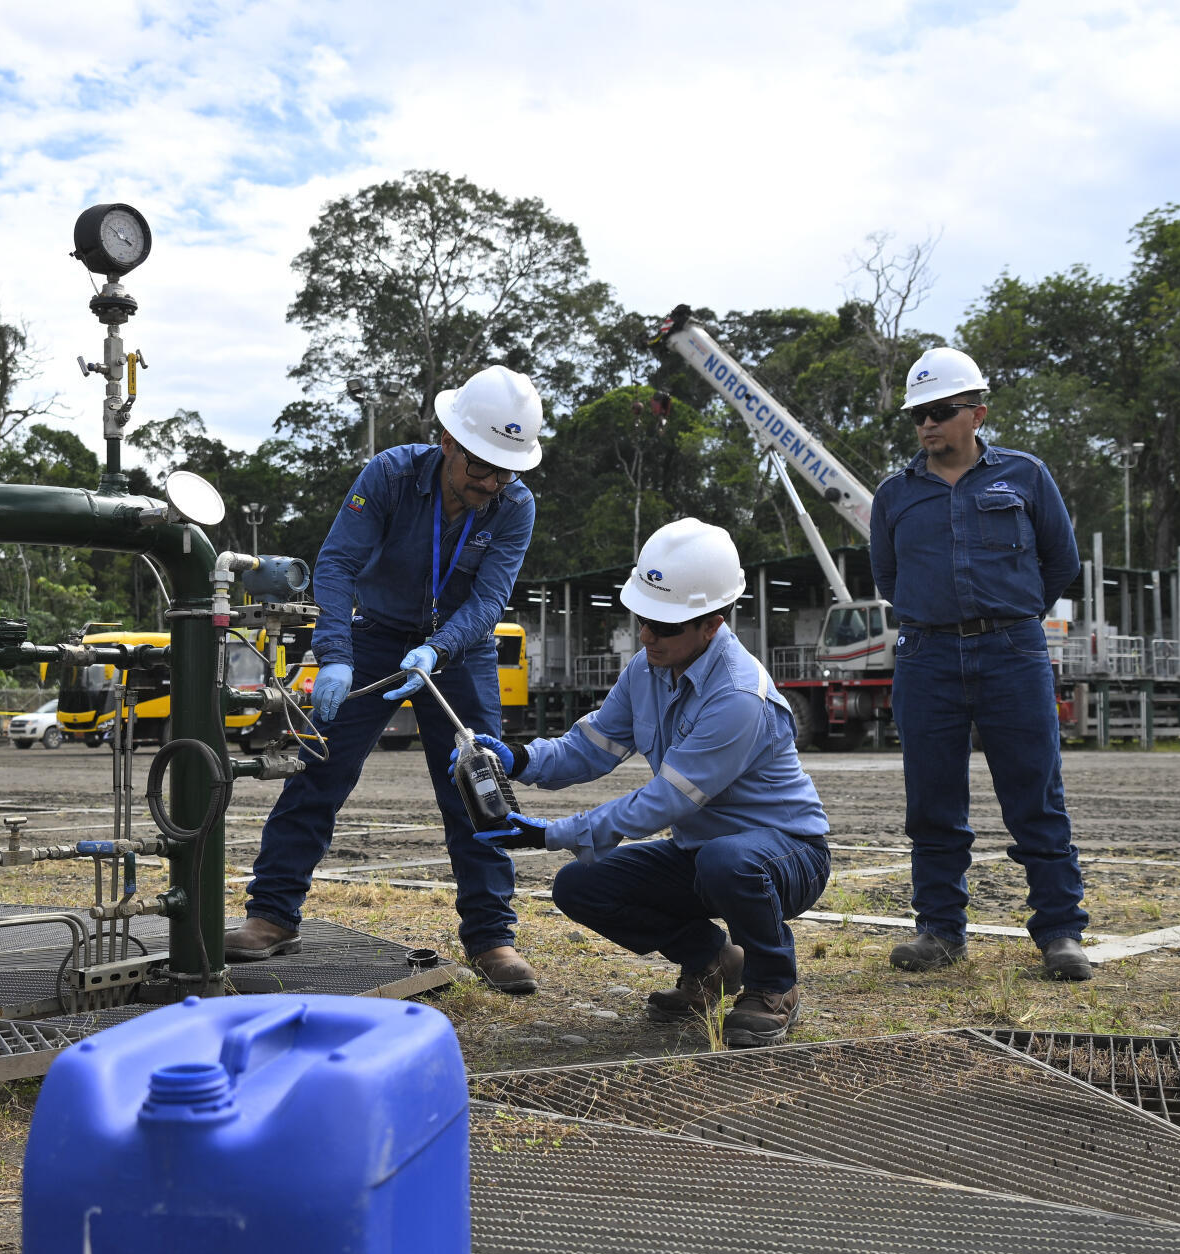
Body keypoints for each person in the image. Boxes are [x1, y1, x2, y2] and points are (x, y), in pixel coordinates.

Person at [230, 365, 544, 993]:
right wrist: (336, 653)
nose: (490, 482)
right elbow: (339, 562)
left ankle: (491, 937)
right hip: (371, 640)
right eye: (479, 466)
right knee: (320, 770)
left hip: (460, 651)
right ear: (449, 442)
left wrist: (437, 649)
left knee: (476, 785)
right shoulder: (393, 474)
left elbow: (489, 600)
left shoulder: (514, 506)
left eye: (503, 469)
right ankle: (272, 914)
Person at [470, 519, 830, 1048]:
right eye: (643, 619)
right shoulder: (647, 668)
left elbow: (664, 800)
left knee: (727, 861)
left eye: (664, 626)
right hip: (703, 853)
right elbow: (592, 746)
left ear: (713, 624)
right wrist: (520, 759)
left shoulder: (737, 695)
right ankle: (712, 962)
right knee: (581, 885)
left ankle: (773, 985)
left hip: (785, 855)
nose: (646, 635)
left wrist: (552, 833)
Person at [870, 346, 1092, 982]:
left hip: (1013, 652)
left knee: (1036, 796)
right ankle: (939, 930)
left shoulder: (1025, 476)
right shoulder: (896, 495)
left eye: (940, 411)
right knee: (933, 800)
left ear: (976, 414)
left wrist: (1012, 615)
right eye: (918, 415)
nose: (926, 425)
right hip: (927, 654)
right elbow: (888, 576)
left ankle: (1059, 932)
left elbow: (1060, 561)